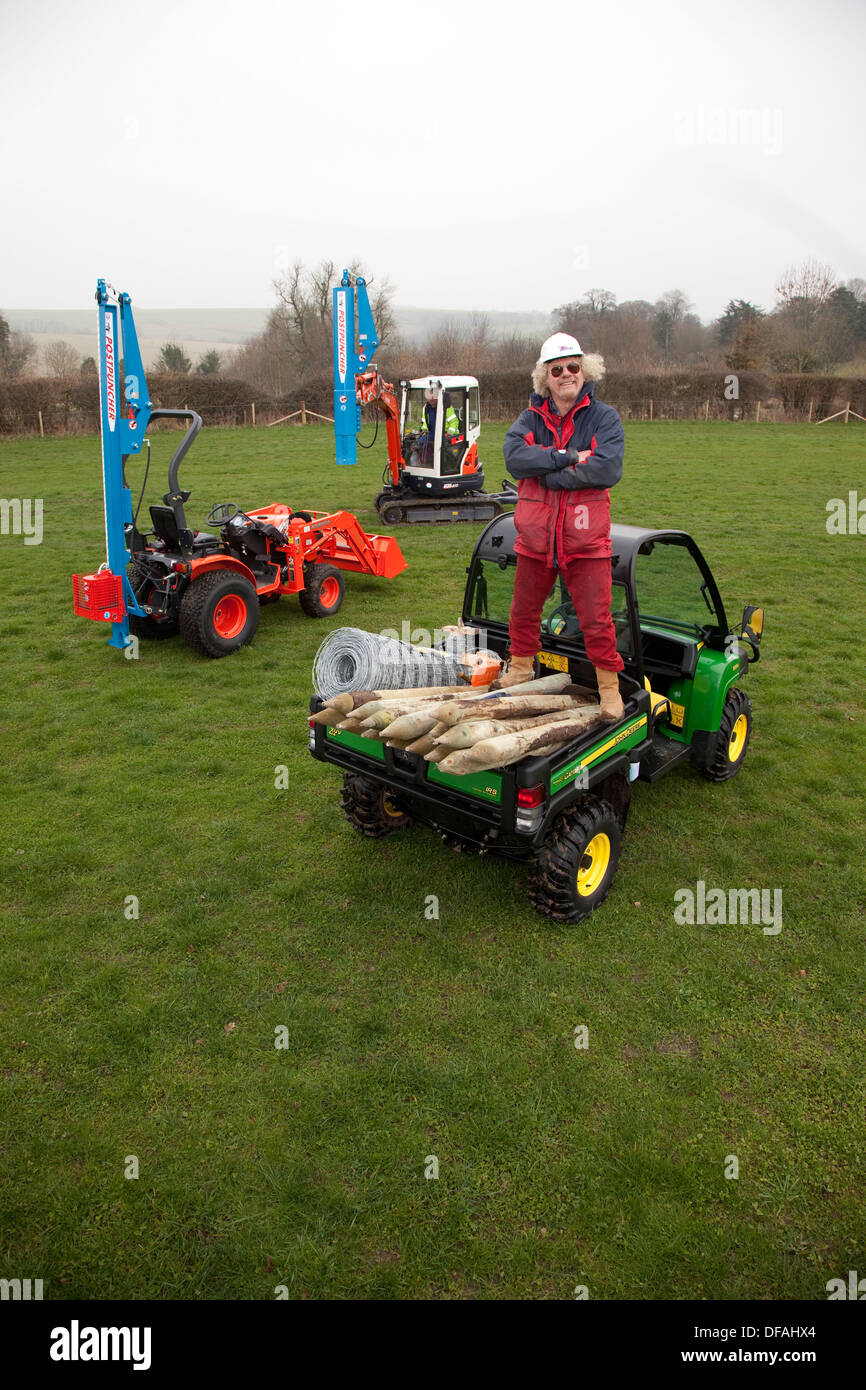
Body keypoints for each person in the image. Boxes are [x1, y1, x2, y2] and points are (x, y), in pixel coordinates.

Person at [498, 332, 625, 720]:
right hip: (535, 539)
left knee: (596, 620)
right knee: (523, 613)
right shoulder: (529, 418)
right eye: (557, 370)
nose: (566, 374)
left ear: (584, 371)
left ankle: (609, 691)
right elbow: (515, 458)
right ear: (545, 377)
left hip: (585, 541)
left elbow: (607, 468)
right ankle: (519, 671)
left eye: (573, 367)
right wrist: (569, 458)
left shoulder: (604, 417)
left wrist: (550, 473)